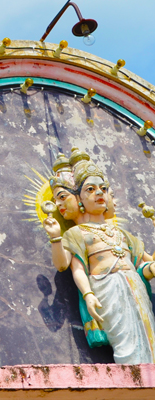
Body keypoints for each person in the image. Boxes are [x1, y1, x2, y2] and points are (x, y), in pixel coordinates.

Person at [44, 148, 155, 363]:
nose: (99, 193)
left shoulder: (124, 235)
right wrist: (88, 294)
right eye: (91, 189)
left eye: (103, 189)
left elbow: (146, 266)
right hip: (107, 289)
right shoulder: (78, 233)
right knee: (125, 341)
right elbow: (67, 266)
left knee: (147, 331)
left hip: (135, 286)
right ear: (78, 200)